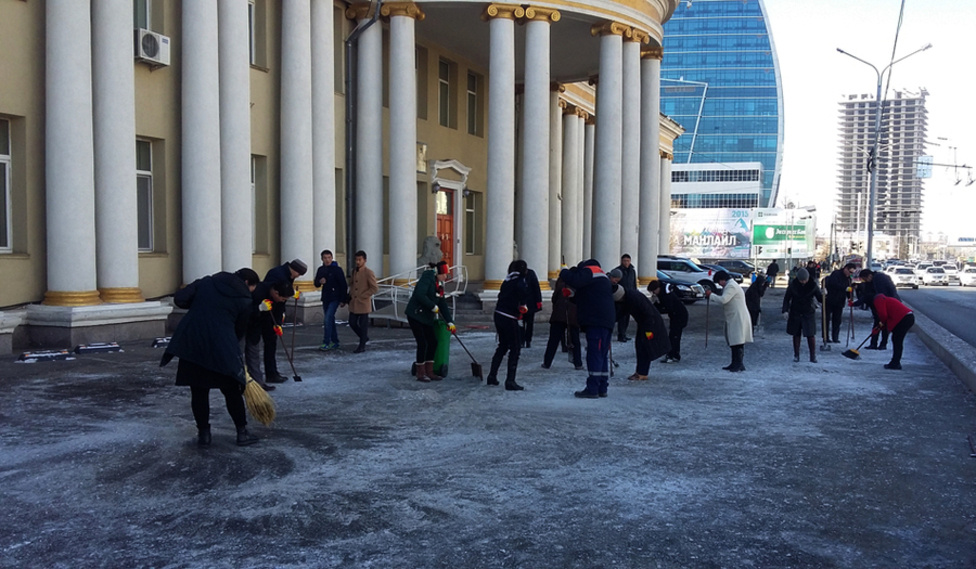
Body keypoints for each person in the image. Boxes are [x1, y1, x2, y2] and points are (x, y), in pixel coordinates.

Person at [162, 268, 261, 447]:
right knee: (232, 391)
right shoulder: (245, 299)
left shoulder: (206, 282)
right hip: (222, 347)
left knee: (199, 392)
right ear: (247, 283)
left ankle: (204, 435)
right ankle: (242, 433)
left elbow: (180, 299)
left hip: (193, 344)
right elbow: (239, 330)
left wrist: (201, 305)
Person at [559, 259, 615, 399]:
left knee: (595, 354)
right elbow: (588, 296)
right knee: (601, 355)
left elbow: (575, 280)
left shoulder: (591, 271)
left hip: (597, 321)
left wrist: (564, 271)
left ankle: (593, 389)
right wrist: (572, 297)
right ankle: (602, 387)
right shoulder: (601, 276)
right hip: (604, 320)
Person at [405, 261, 455, 382]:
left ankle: (430, 371)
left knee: (433, 342)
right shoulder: (427, 278)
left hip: (426, 318)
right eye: (444, 274)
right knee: (422, 343)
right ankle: (420, 373)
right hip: (415, 315)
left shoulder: (439, 285)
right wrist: (432, 306)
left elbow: (442, 303)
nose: (446, 277)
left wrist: (450, 322)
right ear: (438, 272)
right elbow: (420, 294)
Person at [486, 260, 530, 390]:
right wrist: (523, 305)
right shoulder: (520, 281)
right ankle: (510, 380)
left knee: (503, 346)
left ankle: (492, 376)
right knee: (515, 348)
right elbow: (523, 296)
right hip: (509, 316)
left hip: (499, 314)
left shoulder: (507, 280)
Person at [612, 284, 670, 381]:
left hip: (650, 325)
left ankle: (642, 373)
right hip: (645, 323)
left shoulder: (632, 298)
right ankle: (641, 372)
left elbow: (648, 314)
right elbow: (622, 312)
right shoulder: (629, 296)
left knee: (645, 347)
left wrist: (648, 331)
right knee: (640, 346)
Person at [261, 259, 306, 381]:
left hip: (274, 313)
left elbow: (283, 294)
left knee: (272, 343)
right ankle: (270, 374)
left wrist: (292, 294)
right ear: (294, 270)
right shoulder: (279, 275)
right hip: (267, 312)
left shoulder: (286, 274)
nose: (298, 276)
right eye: (299, 274)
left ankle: (272, 371)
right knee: (269, 344)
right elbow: (274, 293)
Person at [244, 279, 293, 390]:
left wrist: (278, 324)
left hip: (269, 322)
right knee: (251, 352)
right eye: (282, 298)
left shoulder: (281, 296)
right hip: (249, 325)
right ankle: (251, 382)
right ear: (275, 293)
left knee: (270, 345)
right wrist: (259, 309)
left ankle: (267, 376)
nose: (282, 301)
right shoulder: (258, 292)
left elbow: (280, 310)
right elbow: (245, 311)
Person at [705, 270, 753, 372]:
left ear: (722, 280)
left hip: (737, 317)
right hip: (734, 316)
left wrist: (711, 295)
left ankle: (738, 364)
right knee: (734, 341)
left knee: (737, 341)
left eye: (719, 282)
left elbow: (724, 300)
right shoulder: (731, 285)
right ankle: (735, 363)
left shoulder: (731, 286)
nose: (719, 285)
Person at [782, 267, 823, 363]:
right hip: (795, 311)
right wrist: (785, 310)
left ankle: (812, 356)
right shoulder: (793, 285)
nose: (803, 282)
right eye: (801, 280)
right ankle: (796, 355)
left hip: (808, 312)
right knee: (796, 334)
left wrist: (824, 295)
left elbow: (820, 299)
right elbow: (787, 299)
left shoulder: (813, 285)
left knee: (810, 335)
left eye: (805, 280)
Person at [543, 274, 583, 371]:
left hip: (559, 316)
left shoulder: (561, 285)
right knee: (575, 340)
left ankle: (547, 362)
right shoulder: (578, 286)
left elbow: (554, 299)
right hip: (572, 316)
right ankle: (578, 363)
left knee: (553, 340)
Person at [856, 268, 900, 350]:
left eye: (865, 279)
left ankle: (882, 344)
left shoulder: (879, 279)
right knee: (877, 323)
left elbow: (883, 293)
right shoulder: (874, 279)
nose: (865, 281)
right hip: (879, 304)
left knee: (884, 324)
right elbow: (867, 294)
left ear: (869, 275)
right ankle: (874, 343)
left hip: (886, 304)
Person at [647, 279, 687, 364]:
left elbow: (668, 308)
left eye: (654, 291)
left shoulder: (665, 295)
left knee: (674, 336)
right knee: (674, 335)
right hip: (677, 316)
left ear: (657, 288)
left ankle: (673, 355)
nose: (654, 293)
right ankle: (674, 354)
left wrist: (656, 310)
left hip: (679, 316)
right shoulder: (664, 292)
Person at [314, 249, 347, 351]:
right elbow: (316, 283)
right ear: (322, 259)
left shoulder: (337, 270)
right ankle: (335, 341)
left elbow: (343, 285)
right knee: (330, 320)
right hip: (326, 298)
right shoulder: (321, 270)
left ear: (332, 258)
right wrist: (320, 281)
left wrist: (343, 299)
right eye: (325, 258)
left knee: (327, 319)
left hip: (335, 298)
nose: (327, 260)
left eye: (329, 258)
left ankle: (326, 342)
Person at [347, 250, 379, 353]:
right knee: (352, 322)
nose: (357, 262)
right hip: (354, 303)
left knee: (363, 324)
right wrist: (349, 296)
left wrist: (363, 295)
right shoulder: (354, 271)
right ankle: (364, 337)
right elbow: (352, 285)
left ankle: (362, 345)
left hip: (363, 303)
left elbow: (374, 288)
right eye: (356, 260)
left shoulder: (368, 272)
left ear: (364, 260)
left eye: (360, 260)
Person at [872, 293, 915, 370]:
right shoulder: (887, 299)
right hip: (908, 317)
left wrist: (881, 324)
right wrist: (881, 327)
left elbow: (883, 315)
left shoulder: (878, 301)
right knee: (897, 340)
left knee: (897, 340)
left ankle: (895, 363)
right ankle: (895, 362)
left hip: (904, 319)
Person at [824, 263, 856, 343]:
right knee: (826, 319)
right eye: (850, 272)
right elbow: (833, 284)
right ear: (845, 269)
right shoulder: (836, 274)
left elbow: (849, 289)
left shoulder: (848, 278)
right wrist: (845, 288)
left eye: (852, 273)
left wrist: (850, 298)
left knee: (837, 320)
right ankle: (826, 336)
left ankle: (835, 337)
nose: (850, 274)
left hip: (840, 301)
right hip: (830, 299)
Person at [613, 254, 637, 342]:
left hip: (629, 296)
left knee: (627, 317)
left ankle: (624, 333)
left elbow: (634, 284)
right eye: (624, 261)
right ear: (621, 261)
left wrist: (635, 294)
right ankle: (620, 334)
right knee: (621, 317)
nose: (626, 262)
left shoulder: (632, 271)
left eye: (628, 261)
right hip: (620, 296)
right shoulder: (618, 271)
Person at [521, 266, 543, 348]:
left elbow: (536, 288)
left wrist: (538, 301)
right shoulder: (522, 275)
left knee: (528, 323)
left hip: (530, 303)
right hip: (522, 304)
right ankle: (523, 340)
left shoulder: (530, 274)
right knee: (521, 324)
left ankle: (527, 340)